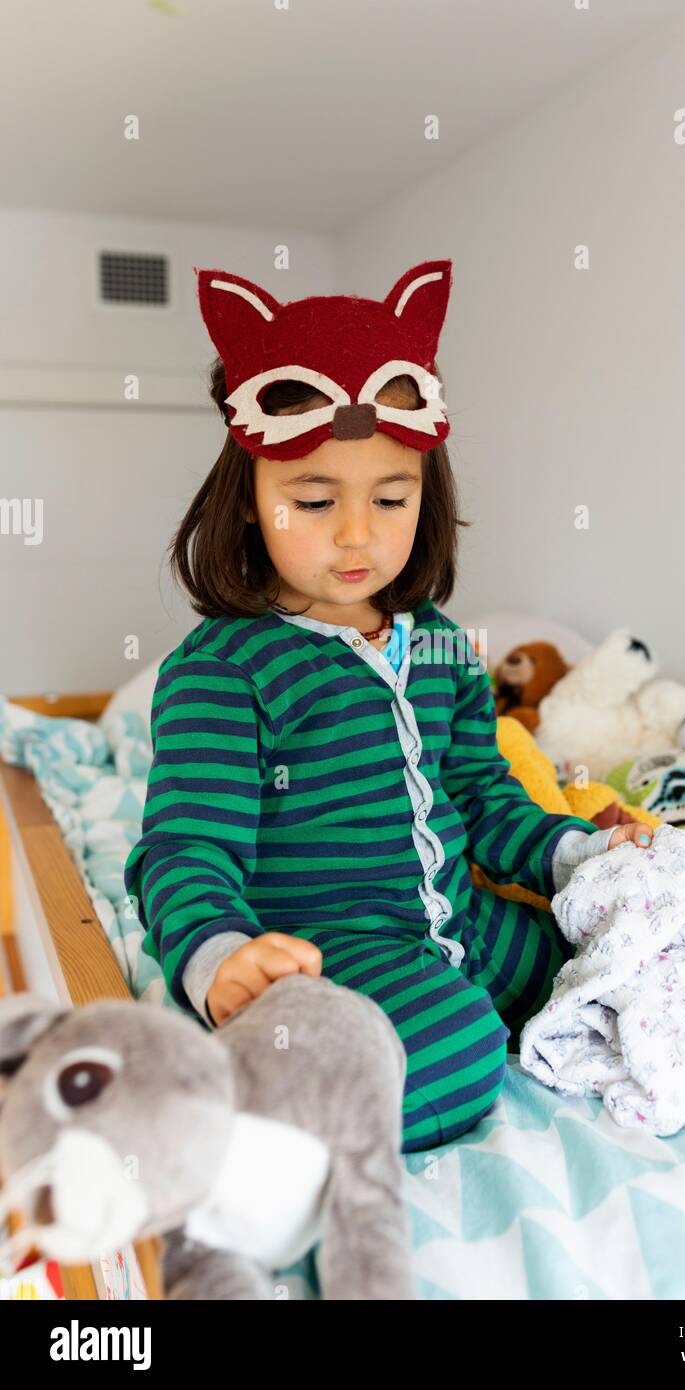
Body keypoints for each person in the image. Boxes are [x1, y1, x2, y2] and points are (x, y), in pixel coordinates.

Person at [123, 259, 652, 1154]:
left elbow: (484, 794)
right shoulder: (224, 670)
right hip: (332, 949)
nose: (358, 534)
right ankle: (248, 1121)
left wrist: (582, 854)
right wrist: (218, 955)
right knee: (456, 1048)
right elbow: (184, 848)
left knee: (626, 966)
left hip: (462, 922)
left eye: (392, 498)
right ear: (250, 503)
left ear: (426, 495)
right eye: (316, 500)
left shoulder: (439, 639)